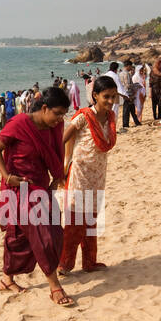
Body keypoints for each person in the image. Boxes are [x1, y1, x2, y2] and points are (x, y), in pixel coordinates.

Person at [0, 87, 73, 306]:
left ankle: (7, 279)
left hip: (41, 185)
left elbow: (56, 152)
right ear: (44, 108)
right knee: (43, 232)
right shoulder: (19, 124)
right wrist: (7, 177)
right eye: (56, 113)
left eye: (62, 115)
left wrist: (57, 176)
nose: (59, 119)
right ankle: (54, 285)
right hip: (20, 188)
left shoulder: (53, 126)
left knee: (23, 236)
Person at [60, 76, 118, 274]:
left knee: (91, 220)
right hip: (80, 174)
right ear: (95, 96)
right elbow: (64, 138)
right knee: (76, 221)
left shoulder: (111, 118)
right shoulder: (84, 116)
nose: (110, 101)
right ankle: (64, 264)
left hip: (98, 175)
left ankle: (89, 262)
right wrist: (62, 164)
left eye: (113, 96)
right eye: (106, 97)